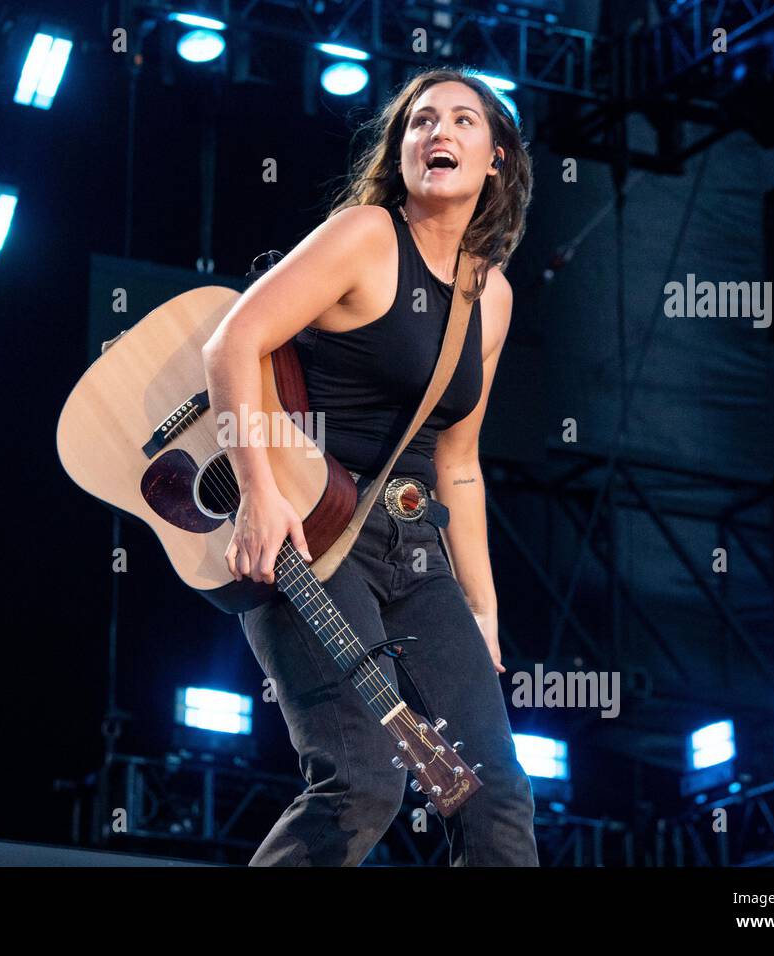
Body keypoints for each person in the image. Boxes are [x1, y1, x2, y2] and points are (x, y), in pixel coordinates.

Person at [202, 68, 538, 865]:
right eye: (421, 121)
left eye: (462, 120)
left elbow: (459, 461)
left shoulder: (492, 296)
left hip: (415, 553)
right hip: (310, 528)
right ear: (402, 148)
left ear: (495, 158)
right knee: (362, 782)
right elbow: (232, 345)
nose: (439, 133)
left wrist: (483, 610)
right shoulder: (365, 235)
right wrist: (256, 493)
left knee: (498, 794)